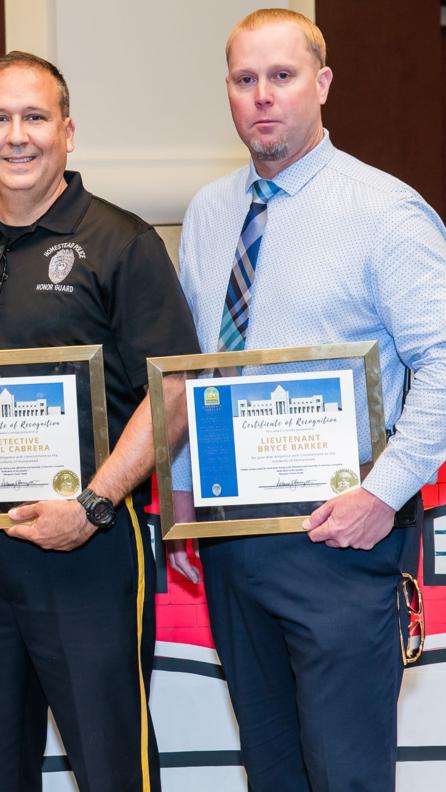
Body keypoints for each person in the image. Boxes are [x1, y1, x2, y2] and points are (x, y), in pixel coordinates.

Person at [169, 9, 446, 790]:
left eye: (282, 77)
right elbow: (197, 369)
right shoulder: (209, 213)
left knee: (344, 775)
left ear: (321, 84)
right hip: (233, 543)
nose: (262, 96)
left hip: (342, 541)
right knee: (273, 773)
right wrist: (185, 492)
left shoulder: (385, 212)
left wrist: (382, 494)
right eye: (245, 79)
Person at [0, 51, 199, 792]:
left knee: (110, 765)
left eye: (35, 118)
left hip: (90, 546)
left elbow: (172, 392)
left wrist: (93, 504)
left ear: (67, 132)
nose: (18, 136)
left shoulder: (122, 242)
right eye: (0, 119)